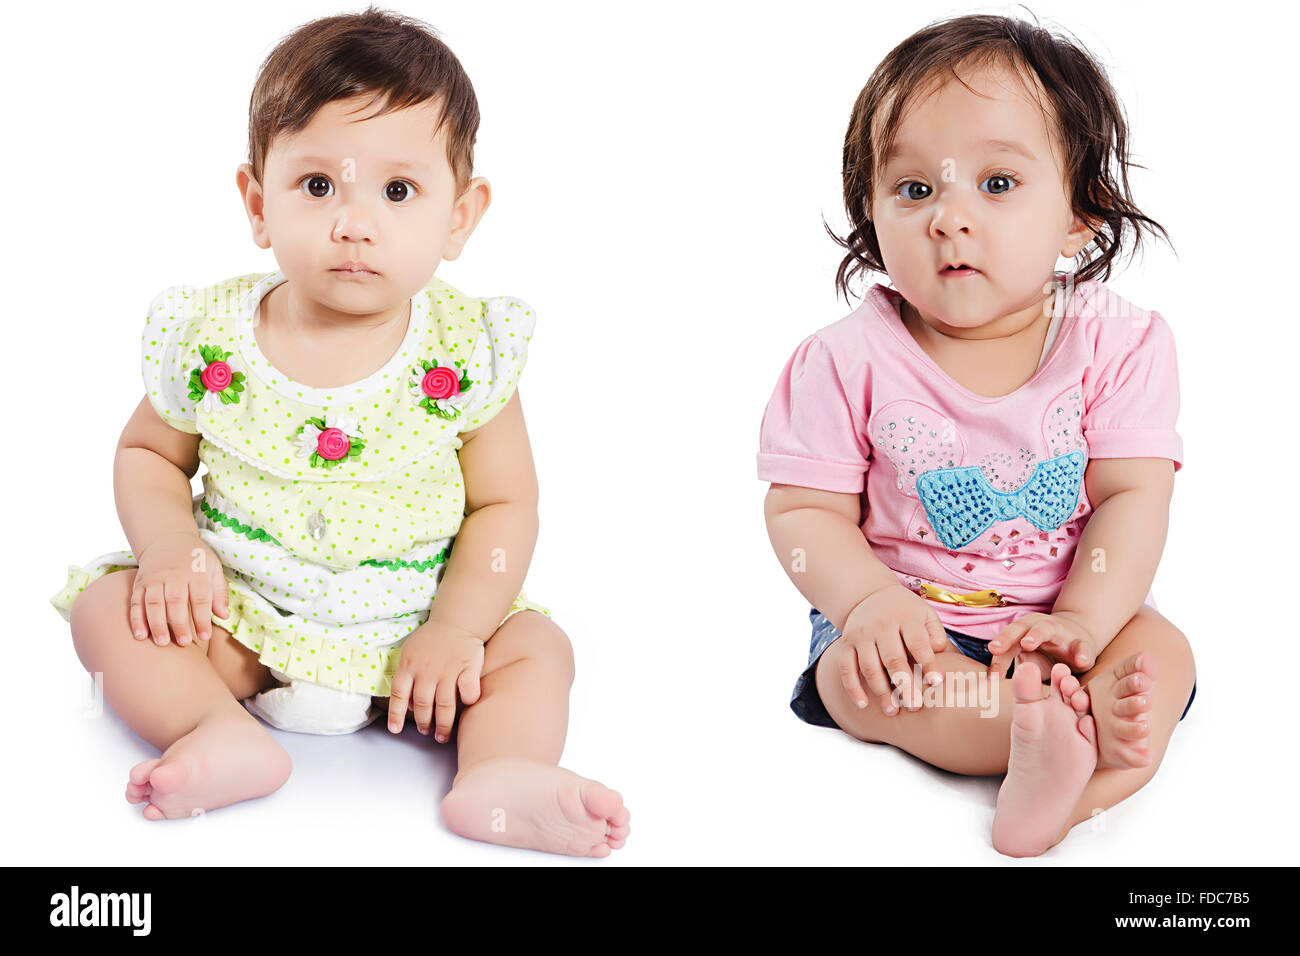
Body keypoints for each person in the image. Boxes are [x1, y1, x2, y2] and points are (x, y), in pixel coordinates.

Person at [52, 6, 629, 859]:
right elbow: (148, 454)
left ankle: (499, 771)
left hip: (416, 647)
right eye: (318, 186)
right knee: (106, 608)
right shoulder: (212, 335)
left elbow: (506, 505)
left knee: (537, 647)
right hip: (243, 622)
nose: (354, 223)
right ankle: (216, 728)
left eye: (398, 191)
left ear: (460, 216)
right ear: (257, 202)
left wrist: (460, 630)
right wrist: (174, 549)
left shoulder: (467, 351)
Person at [757, 13, 1195, 857]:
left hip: (1073, 612)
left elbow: (1134, 498)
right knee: (862, 684)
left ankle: (1081, 777)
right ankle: (1039, 740)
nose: (949, 219)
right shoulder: (844, 360)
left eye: (997, 184)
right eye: (915, 189)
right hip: (914, 620)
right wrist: (869, 604)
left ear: (1080, 217)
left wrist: (1086, 623)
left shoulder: (1121, 340)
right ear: (871, 218)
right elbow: (802, 513)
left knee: (1163, 652)